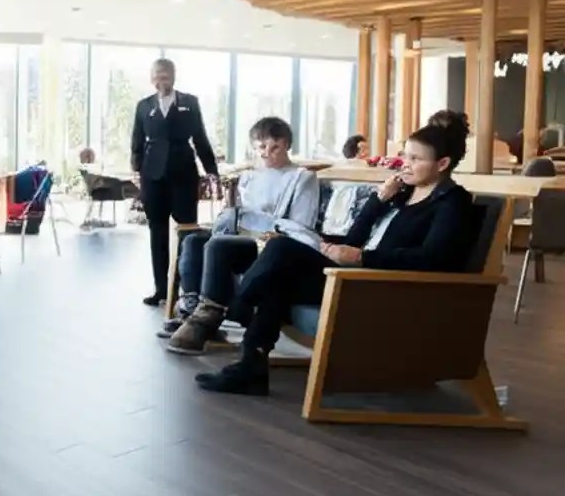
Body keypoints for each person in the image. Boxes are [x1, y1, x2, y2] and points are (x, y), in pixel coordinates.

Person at [195, 114, 477, 396]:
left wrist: (362, 258)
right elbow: (356, 238)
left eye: (417, 159)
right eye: (406, 156)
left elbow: (433, 259)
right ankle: (250, 365)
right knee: (280, 269)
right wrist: (377, 202)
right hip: (358, 274)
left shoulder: (452, 203)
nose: (407, 165)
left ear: (442, 164)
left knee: (281, 250)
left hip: (385, 287)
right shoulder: (402, 194)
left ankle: (239, 307)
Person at [164, 117, 320, 354]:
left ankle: (206, 319)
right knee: (195, 240)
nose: (267, 153)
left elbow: (301, 225)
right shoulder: (250, 177)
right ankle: (192, 310)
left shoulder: (302, 178)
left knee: (219, 245)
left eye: (274, 147)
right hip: (243, 235)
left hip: (271, 241)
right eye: (261, 147)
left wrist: (257, 223)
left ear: (287, 144)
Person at [131, 58, 218, 306]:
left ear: (174, 76)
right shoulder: (143, 106)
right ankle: (161, 288)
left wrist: (211, 170)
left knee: (187, 233)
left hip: (184, 175)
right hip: (152, 176)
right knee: (157, 232)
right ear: (151, 78)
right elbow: (136, 141)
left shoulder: (190, 103)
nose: (162, 78)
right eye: (158, 74)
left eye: (167, 74)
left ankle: (185, 288)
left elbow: (200, 138)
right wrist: (136, 170)